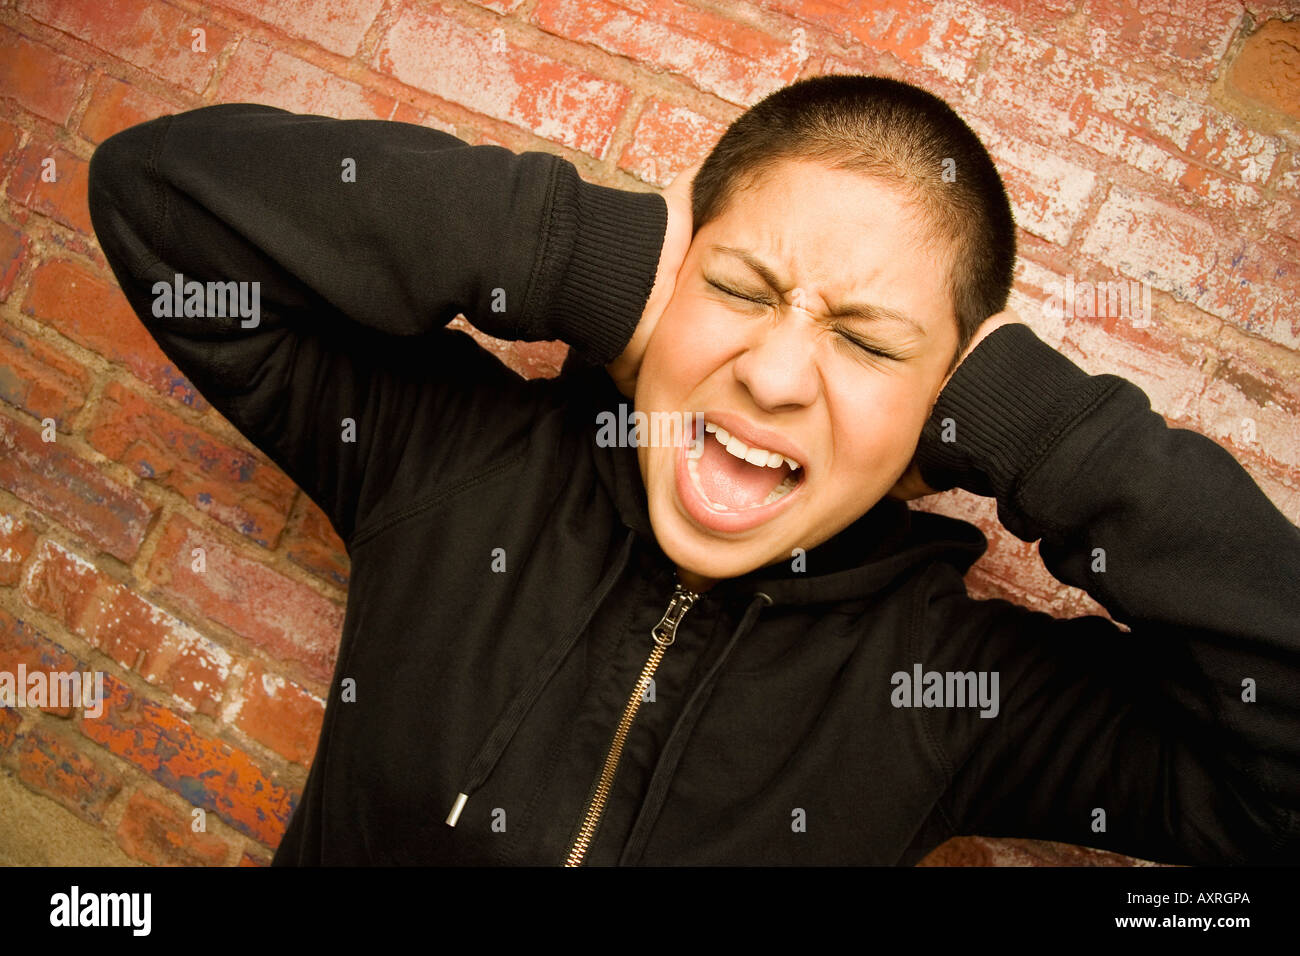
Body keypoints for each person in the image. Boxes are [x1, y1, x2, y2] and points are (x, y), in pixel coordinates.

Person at [86, 74, 1300, 866]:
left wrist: (1042, 430)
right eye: (735, 288)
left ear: (940, 420)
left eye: (869, 342)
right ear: (656, 288)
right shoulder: (454, 460)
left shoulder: (952, 691)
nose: (773, 374)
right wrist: (571, 250)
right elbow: (159, 205)